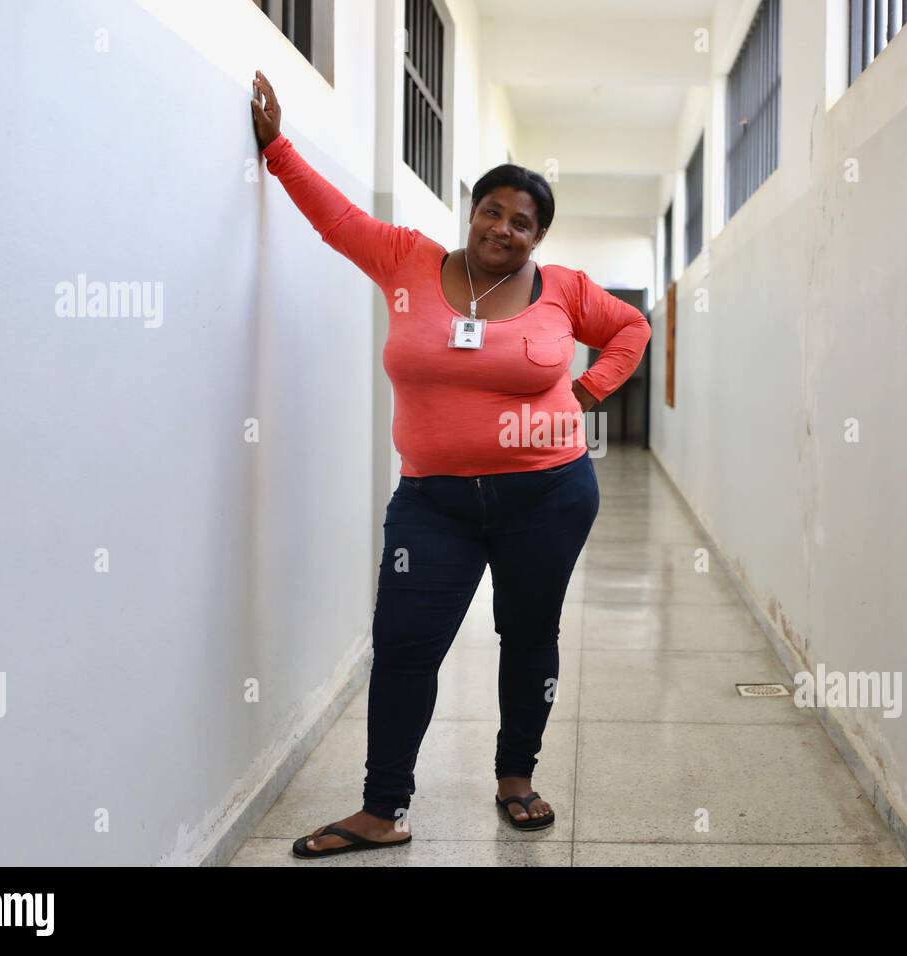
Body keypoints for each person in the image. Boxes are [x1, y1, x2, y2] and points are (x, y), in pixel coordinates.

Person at [250, 71, 651, 857]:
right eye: (494, 210)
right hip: (432, 503)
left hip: (549, 494)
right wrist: (277, 149)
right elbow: (337, 221)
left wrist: (590, 385)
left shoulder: (562, 289)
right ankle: (381, 808)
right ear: (473, 210)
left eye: (524, 221)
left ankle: (515, 777)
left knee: (527, 633)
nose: (504, 228)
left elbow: (631, 327)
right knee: (405, 641)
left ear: (540, 236)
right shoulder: (407, 261)